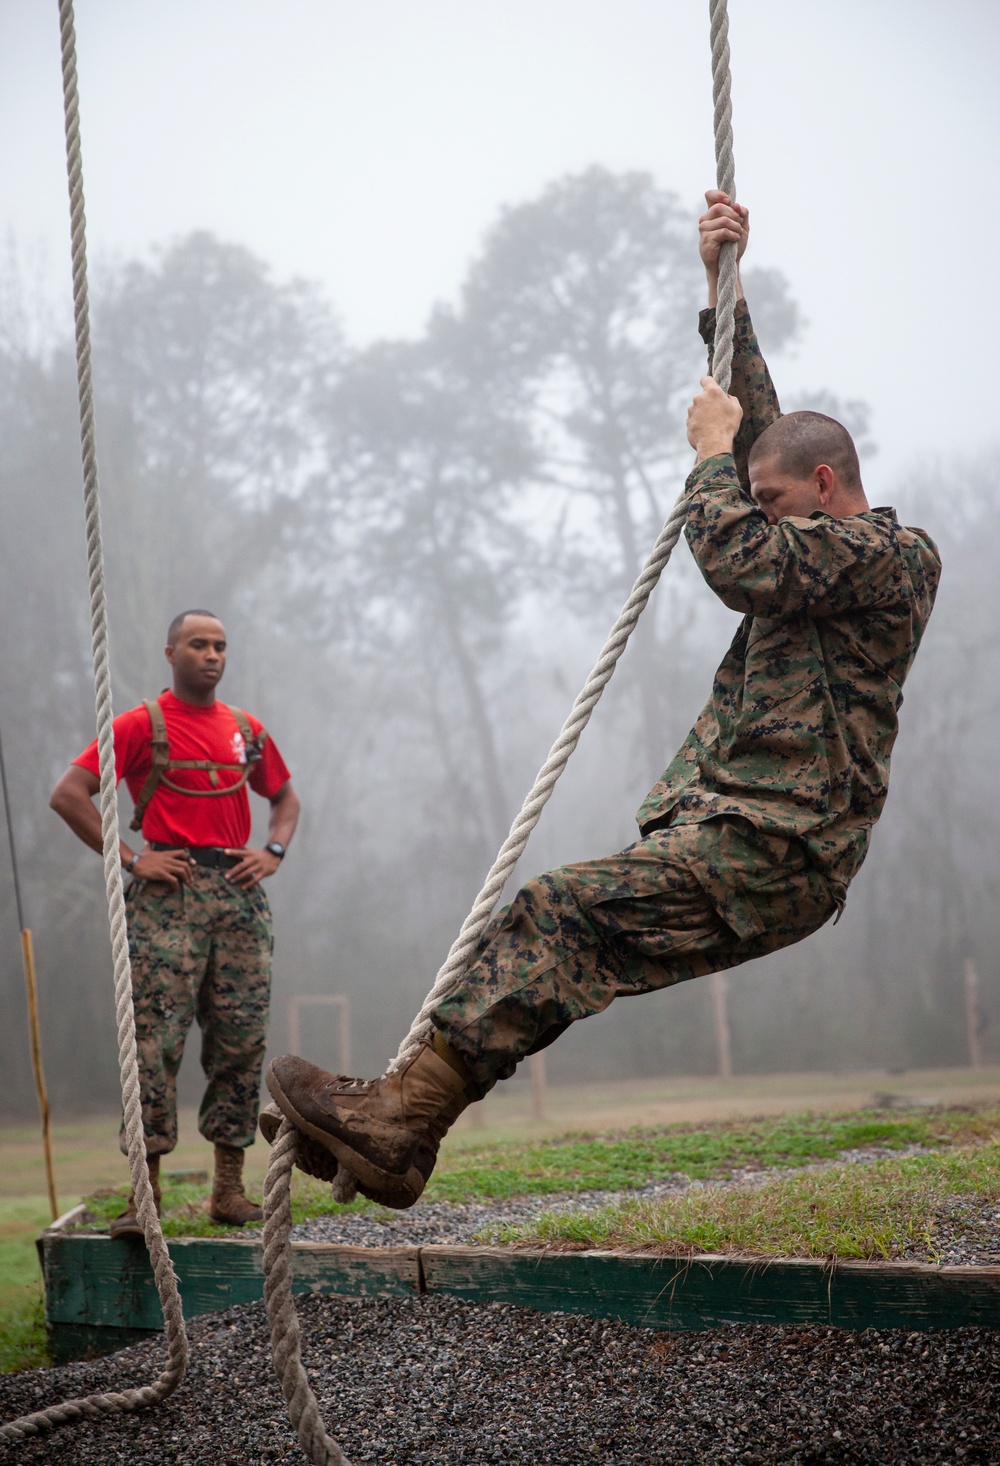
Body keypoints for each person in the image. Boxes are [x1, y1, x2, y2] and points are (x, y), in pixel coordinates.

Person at [261, 191, 941, 1209]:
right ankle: (398, 1120)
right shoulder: (815, 532)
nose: (758, 507)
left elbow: (737, 550)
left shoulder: (889, 557)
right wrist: (724, 286)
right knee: (563, 927)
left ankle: (402, 1121)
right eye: (756, 495)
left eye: (775, 497)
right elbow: (759, 437)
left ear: (830, 484)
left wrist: (714, 463)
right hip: (742, 838)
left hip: (781, 846)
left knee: (558, 912)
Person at [51, 609, 300, 1236]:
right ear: (171, 653)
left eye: (220, 645)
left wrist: (272, 850)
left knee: (240, 1041)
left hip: (239, 899)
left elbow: (286, 799)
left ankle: (228, 1190)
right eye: (198, 644)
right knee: (153, 1044)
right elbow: (69, 794)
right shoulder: (140, 725)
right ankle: (146, 1197)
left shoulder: (247, 729)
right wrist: (134, 860)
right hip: (168, 895)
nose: (211, 655)